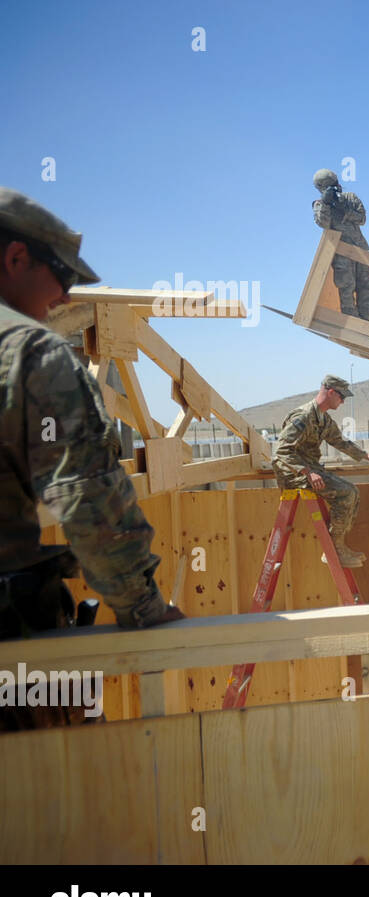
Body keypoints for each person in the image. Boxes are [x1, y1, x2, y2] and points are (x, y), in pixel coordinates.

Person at [0, 188, 183, 726]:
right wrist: (141, 605)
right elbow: (85, 497)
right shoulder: (32, 352)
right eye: (61, 274)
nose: (64, 296)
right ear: (15, 258)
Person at [271, 375, 369, 567]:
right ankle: (333, 549)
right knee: (346, 493)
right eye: (341, 397)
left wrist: (365, 455)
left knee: (353, 492)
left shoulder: (323, 419)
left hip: (309, 469)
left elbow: (339, 441)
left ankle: (337, 545)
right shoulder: (303, 417)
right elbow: (281, 451)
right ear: (331, 392)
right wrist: (307, 472)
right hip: (294, 473)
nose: (343, 401)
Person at [312, 169, 369, 319]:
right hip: (341, 255)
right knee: (346, 288)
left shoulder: (349, 198)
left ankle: (365, 325)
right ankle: (352, 326)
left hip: (361, 250)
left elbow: (362, 219)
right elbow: (323, 223)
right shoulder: (320, 205)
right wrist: (326, 203)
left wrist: (343, 207)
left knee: (366, 287)